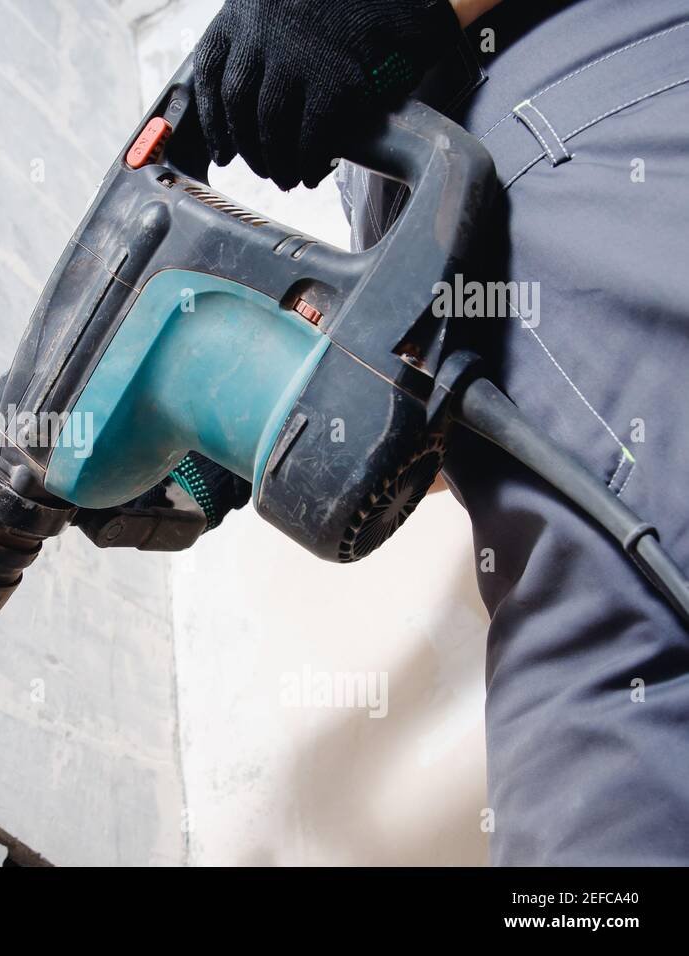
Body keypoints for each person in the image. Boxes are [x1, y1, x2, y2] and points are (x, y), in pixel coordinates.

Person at [189, 0, 689, 864]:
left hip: (601, 133)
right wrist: (295, 415)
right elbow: (471, 401)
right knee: (585, 827)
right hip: (557, 517)